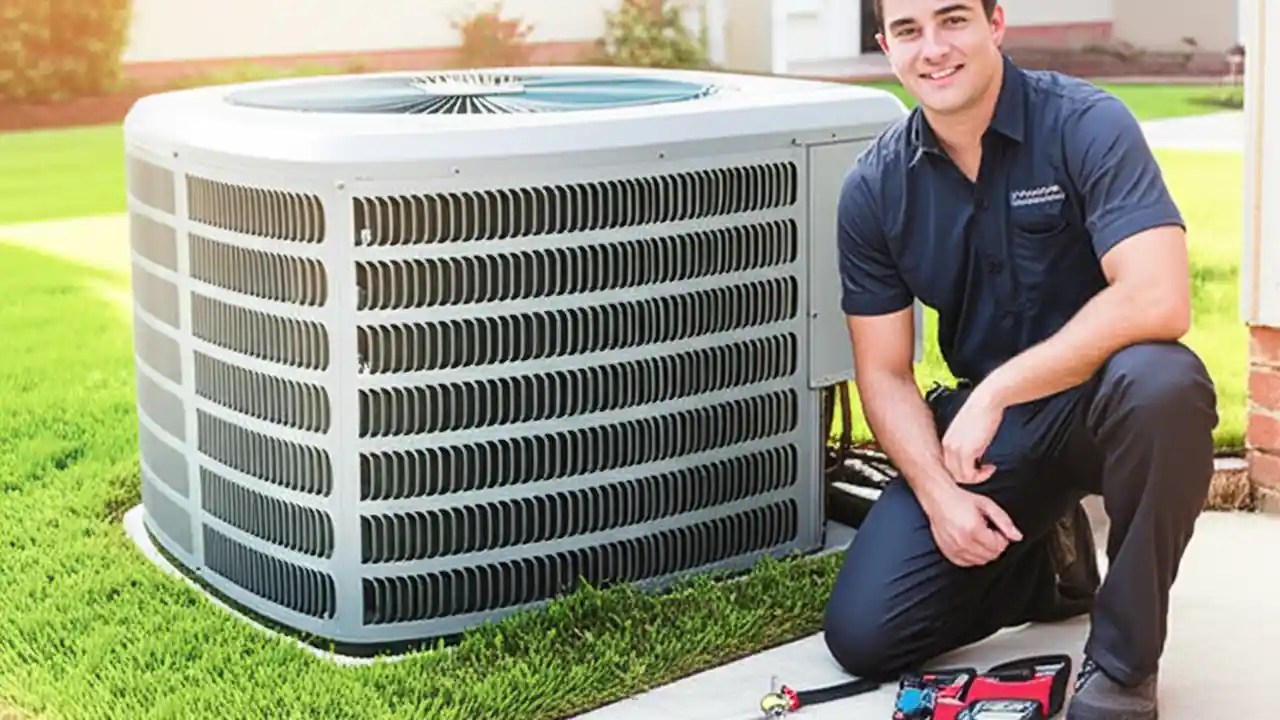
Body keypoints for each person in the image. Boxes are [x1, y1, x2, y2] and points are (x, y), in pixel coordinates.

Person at [821, 1, 1219, 719]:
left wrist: (998, 389)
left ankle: (1124, 669)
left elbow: (1159, 299)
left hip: (1108, 403)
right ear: (886, 46)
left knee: (1166, 383)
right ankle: (1049, 561)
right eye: (910, 31)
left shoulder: (1085, 124)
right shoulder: (875, 189)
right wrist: (942, 498)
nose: (934, 49)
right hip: (994, 439)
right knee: (865, 634)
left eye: (954, 21)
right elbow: (882, 371)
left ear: (996, 23)